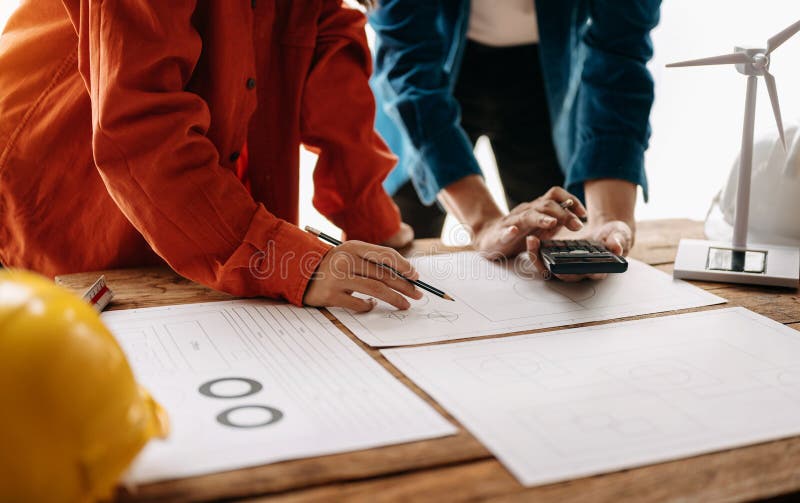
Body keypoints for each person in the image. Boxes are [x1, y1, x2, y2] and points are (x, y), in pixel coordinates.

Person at [0, 0, 575, 311]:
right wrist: (296, 262)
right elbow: (143, 128)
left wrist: (386, 237)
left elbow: (336, 88)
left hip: (185, 216)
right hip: (57, 202)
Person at [369, 0, 661, 275]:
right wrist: (484, 224)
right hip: (431, 80)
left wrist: (608, 217)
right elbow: (407, 66)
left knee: (550, 236)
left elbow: (620, 54)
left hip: (545, 77)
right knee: (404, 243)